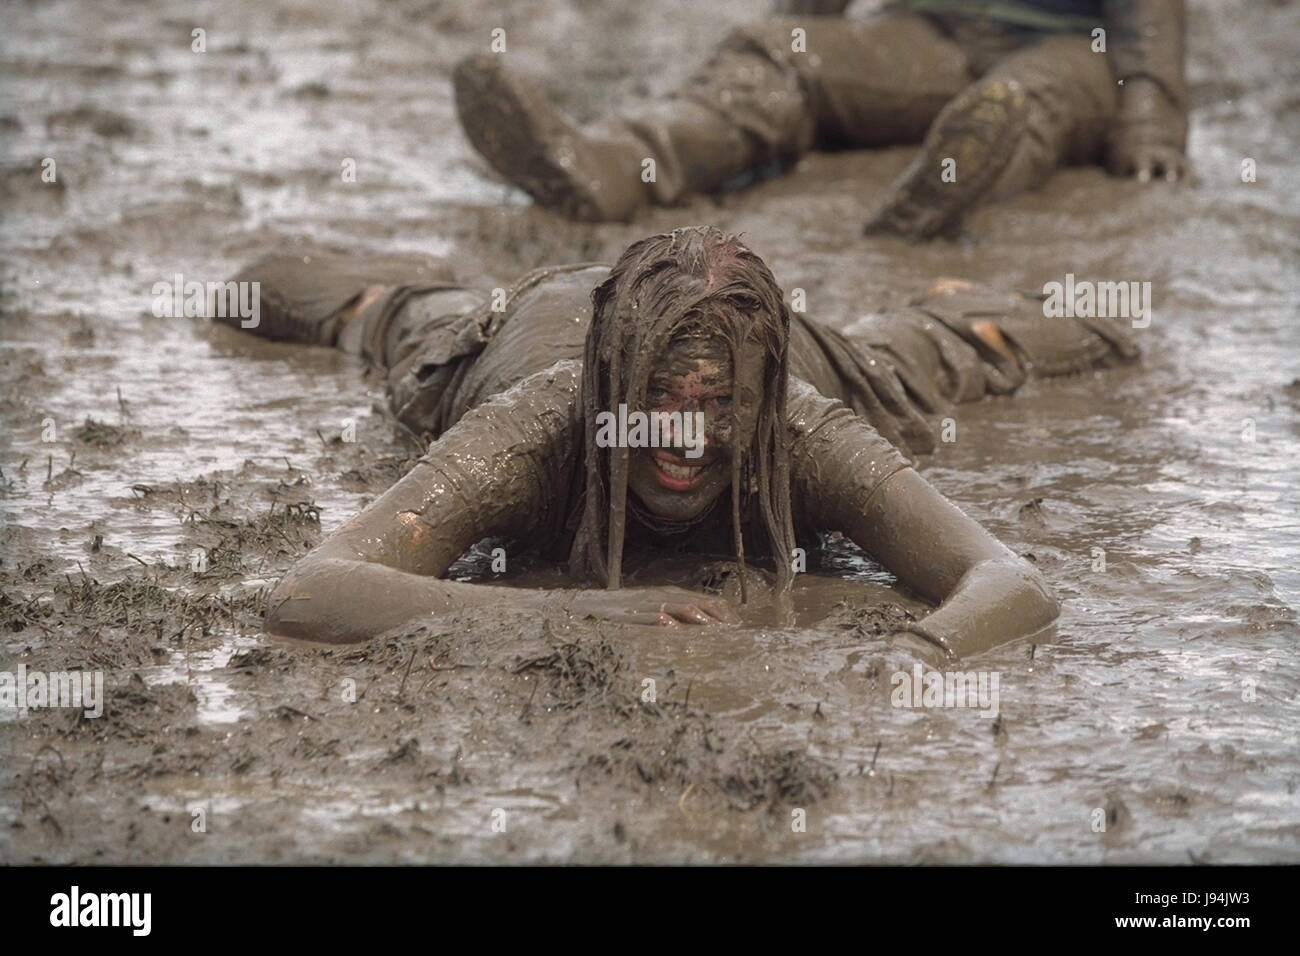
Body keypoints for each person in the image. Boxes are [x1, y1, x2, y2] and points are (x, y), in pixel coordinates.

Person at [222, 226, 1136, 654]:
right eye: (657, 399)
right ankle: (387, 288)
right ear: (610, 389)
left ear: (761, 399)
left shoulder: (797, 424)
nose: (682, 435)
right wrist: (584, 612)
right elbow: (309, 590)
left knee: (899, 373)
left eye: (716, 405)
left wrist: (919, 655)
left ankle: (962, 315)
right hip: (523, 325)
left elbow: (1012, 581)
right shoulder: (532, 430)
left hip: (796, 346)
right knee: (380, 322)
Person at [452, 0, 1186, 237]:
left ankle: (935, 203)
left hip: (1075, 48)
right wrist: (795, 39)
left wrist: (1150, 114)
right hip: (928, 31)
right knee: (784, 60)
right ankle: (615, 165)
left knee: (1021, 105)